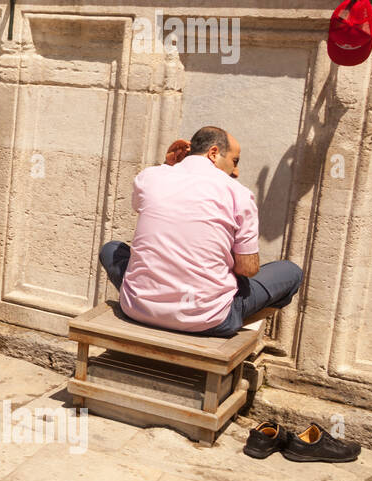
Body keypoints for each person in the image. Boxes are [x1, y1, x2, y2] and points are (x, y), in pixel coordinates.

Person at [98, 125, 303, 337]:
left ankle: (176, 311)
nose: (236, 172)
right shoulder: (238, 194)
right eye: (235, 161)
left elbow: (143, 204)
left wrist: (169, 165)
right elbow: (247, 269)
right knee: (291, 272)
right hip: (207, 319)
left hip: (138, 309)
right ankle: (221, 321)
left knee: (111, 249)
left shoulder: (150, 177)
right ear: (214, 153)